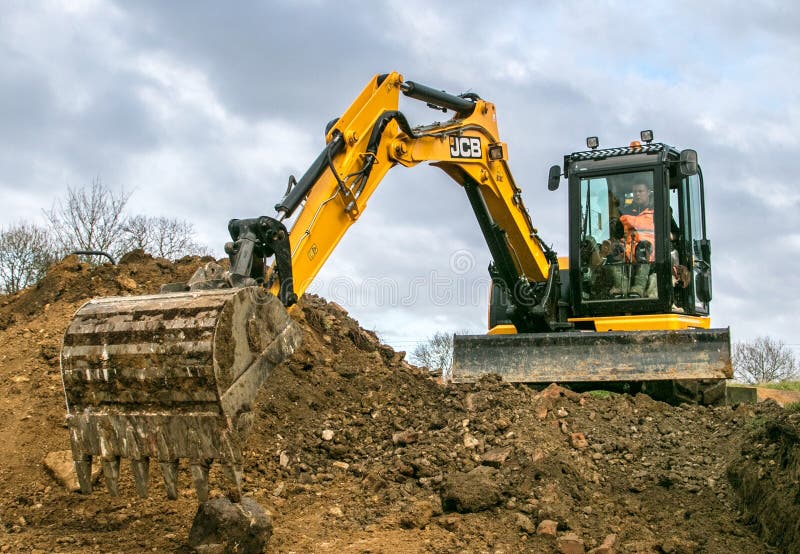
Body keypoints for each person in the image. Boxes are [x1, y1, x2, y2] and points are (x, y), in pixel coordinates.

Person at [610, 181, 655, 297]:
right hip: (629, 248)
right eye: (635, 192)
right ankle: (620, 289)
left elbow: (674, 233)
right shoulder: (625, 212)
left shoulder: (657, 211)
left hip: (650, 250)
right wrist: (617, 243)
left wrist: (670, 235)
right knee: (616, 250)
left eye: (640, 191)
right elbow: (617, 235)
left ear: (648, 193)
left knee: (642, 249)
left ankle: (638, 289)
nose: (637, 194)